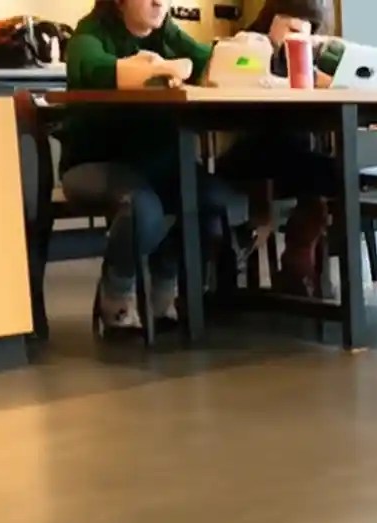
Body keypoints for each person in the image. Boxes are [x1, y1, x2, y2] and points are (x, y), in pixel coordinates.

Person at [60, 0, 240, 332]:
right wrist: (161, 68)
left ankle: (165, 290)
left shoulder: (166, 33)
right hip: (97, 162)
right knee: (143, 207)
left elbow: (210, 63)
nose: (160, 2)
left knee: (213, 199)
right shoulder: (90, 34)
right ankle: (117, 291)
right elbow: (93, 68)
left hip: (160, 165)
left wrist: (220, 56)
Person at [213, 0, 339, 296]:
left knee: (330, 173)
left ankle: (296, 255)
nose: (298, 32)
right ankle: (265, 243)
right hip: (249, 153)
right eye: (290, 23)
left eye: (306, 27)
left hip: (291, 154)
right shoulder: (246, 44)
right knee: (319, 171)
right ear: (272, 19)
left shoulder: (311, 53)